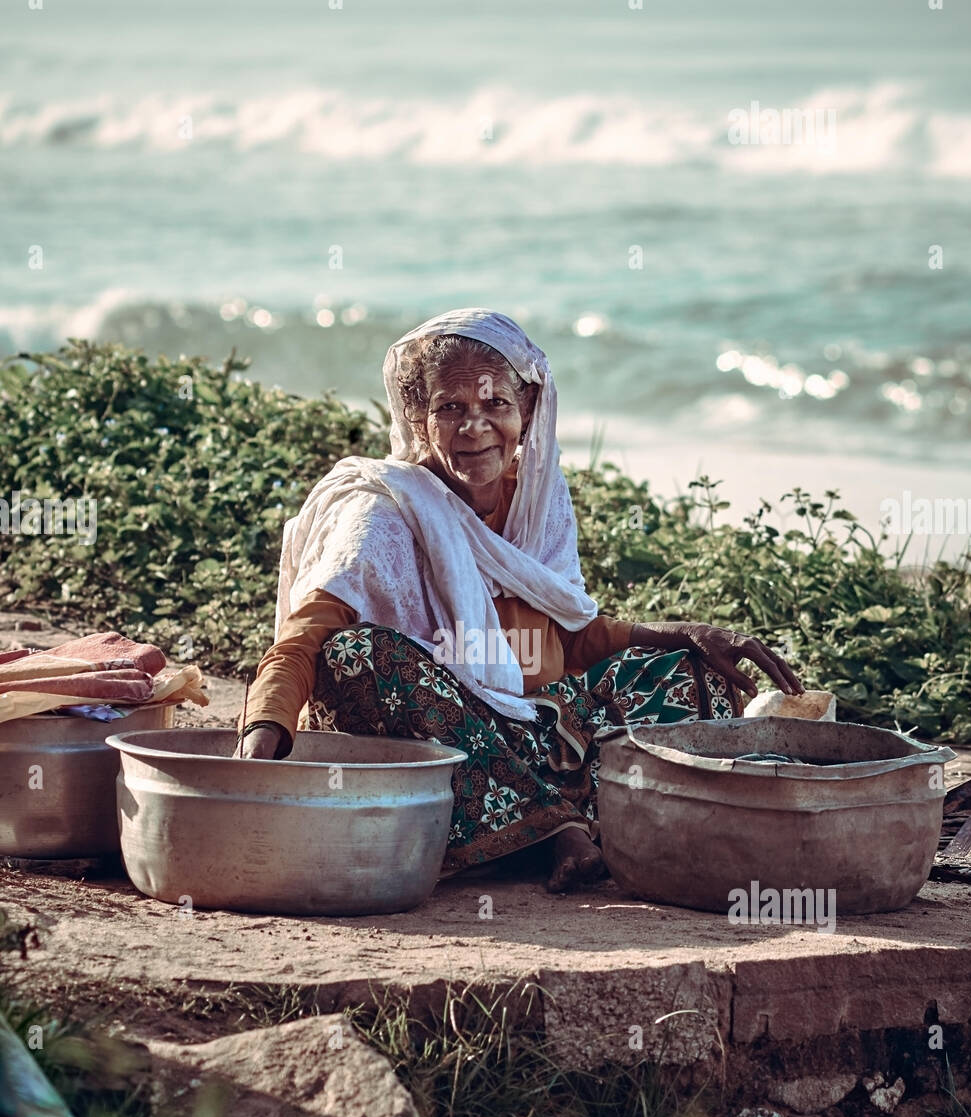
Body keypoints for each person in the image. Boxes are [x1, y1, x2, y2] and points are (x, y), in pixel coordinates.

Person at [239, 308, 803, 890]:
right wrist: (261, 743)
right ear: (417, 416)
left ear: (527, 411)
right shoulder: (382, 513)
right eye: (450, 408)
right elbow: (302, 642)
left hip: (536, 728)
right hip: (435, 737)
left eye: (495, 406)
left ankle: (559, 823)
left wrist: (680, 634)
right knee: (356, 655)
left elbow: (568, 632)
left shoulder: (537, 500)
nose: (474, 428)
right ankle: (560, 829)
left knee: (689, 673)